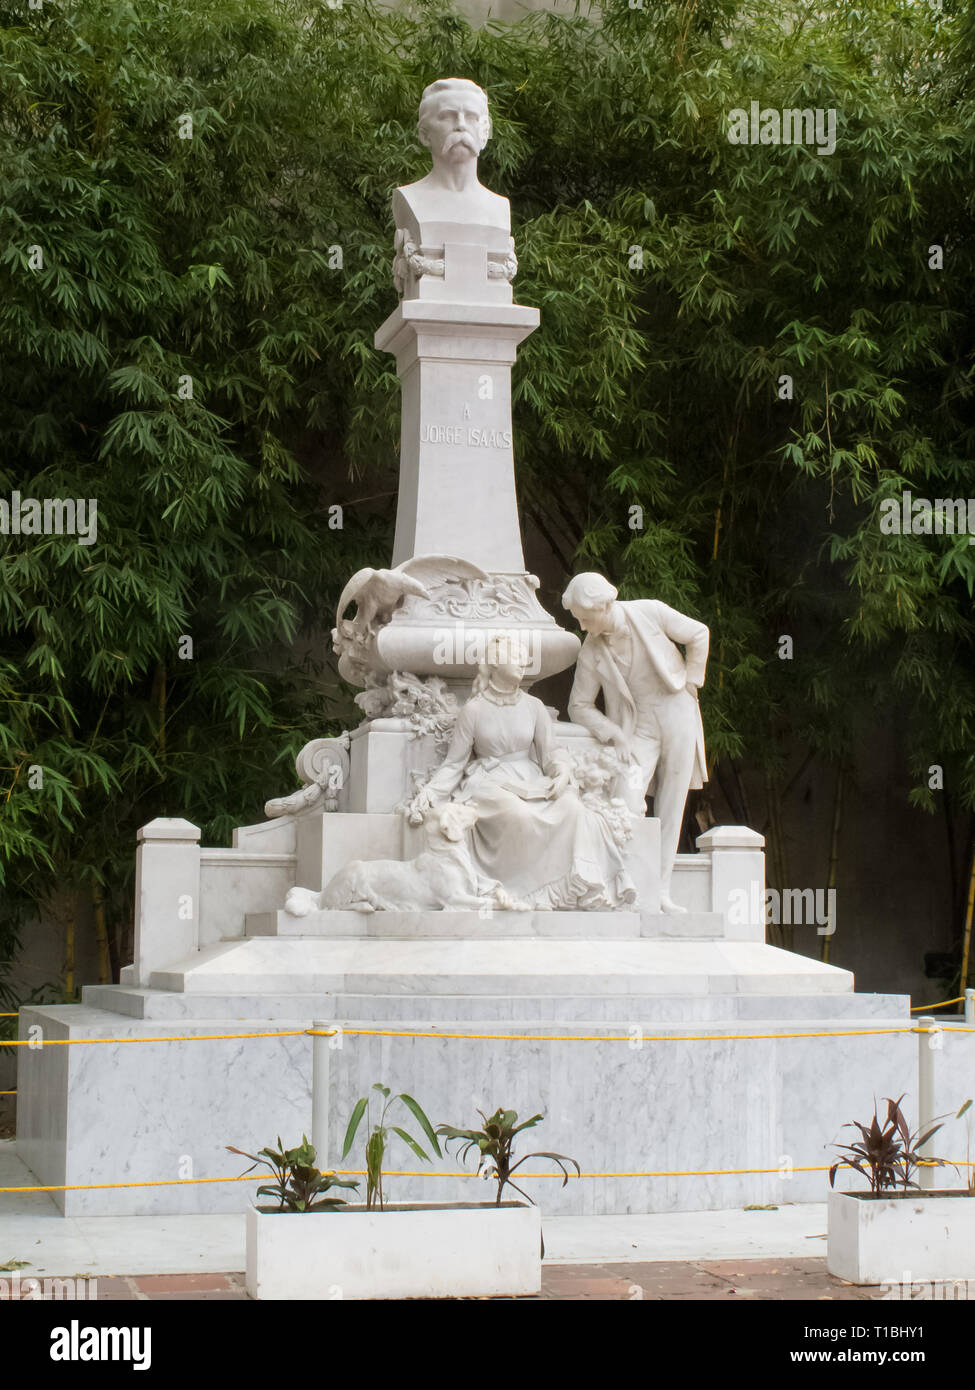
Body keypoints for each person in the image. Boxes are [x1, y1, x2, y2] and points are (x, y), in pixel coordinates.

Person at [410, 635, 635, 910]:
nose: (523, 662)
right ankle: (516, 890)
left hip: (530, 779)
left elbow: (551, 751)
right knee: (516, 814)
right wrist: (431, 792)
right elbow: (455, 763)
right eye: (514, 656)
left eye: (523, 657)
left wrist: (562, 772)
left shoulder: (533, 706)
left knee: (572, 808)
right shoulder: (474, 710)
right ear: (495, 662)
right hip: (490, 781)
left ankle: (567, 889)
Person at [562, 573, 709, 916]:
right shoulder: (592, 651)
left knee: (673, 804)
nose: (583, 627)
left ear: (604, 606)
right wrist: (611, 731)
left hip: (676, 711)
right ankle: (624, 889)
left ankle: (662, 892)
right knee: (624, 801)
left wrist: (691, 682)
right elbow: (578, 706)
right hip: (635, 729)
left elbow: (698, 633)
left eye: (585, 618)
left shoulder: (650, 612)